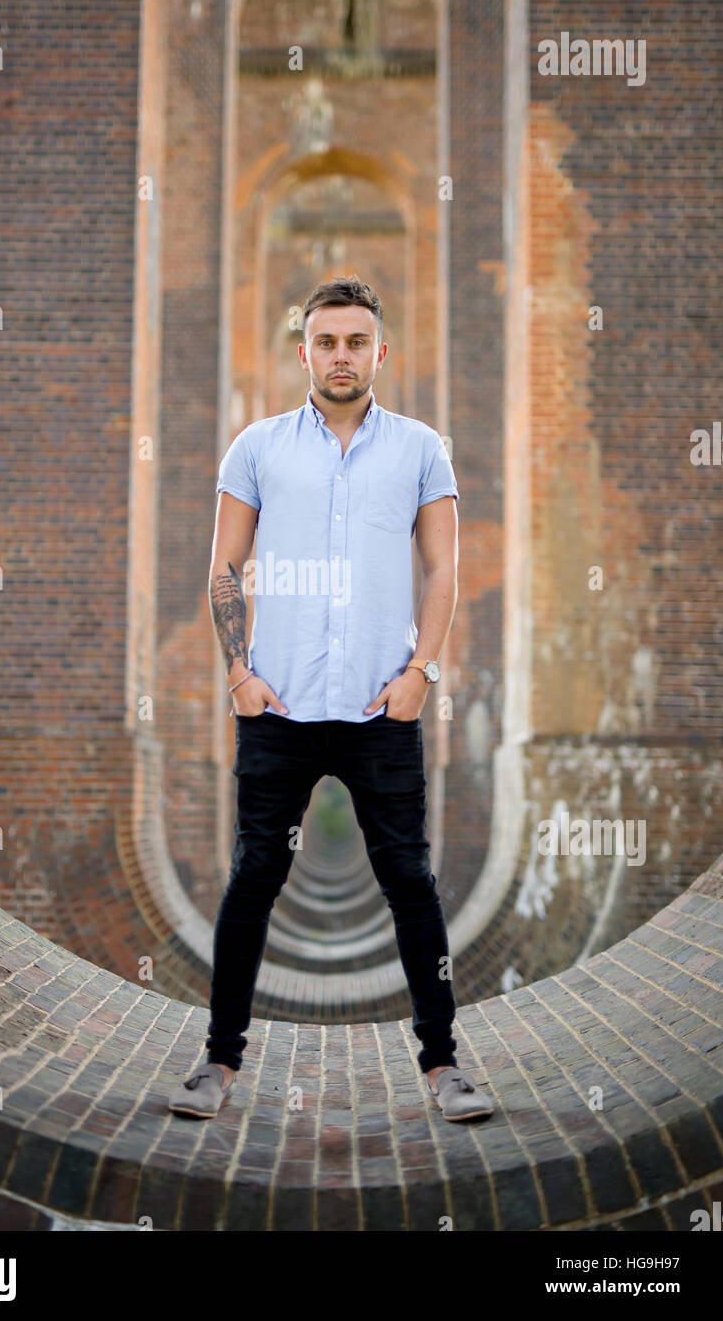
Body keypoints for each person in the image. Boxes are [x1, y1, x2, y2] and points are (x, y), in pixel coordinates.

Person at [168, 275, 493, 1124]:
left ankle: (444, 1065)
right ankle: (218, 1061)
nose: (340, 356)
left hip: (379, 713)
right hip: (276, 711)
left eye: (355, 342)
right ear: (304, 350)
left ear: (378, 352)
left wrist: (420, 673)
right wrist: (238, 675)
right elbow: (223, 568)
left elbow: (443, 571)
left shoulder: (421, 449)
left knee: (410, 886)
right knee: (252, 883)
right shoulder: (258, 448)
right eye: (325, 342)